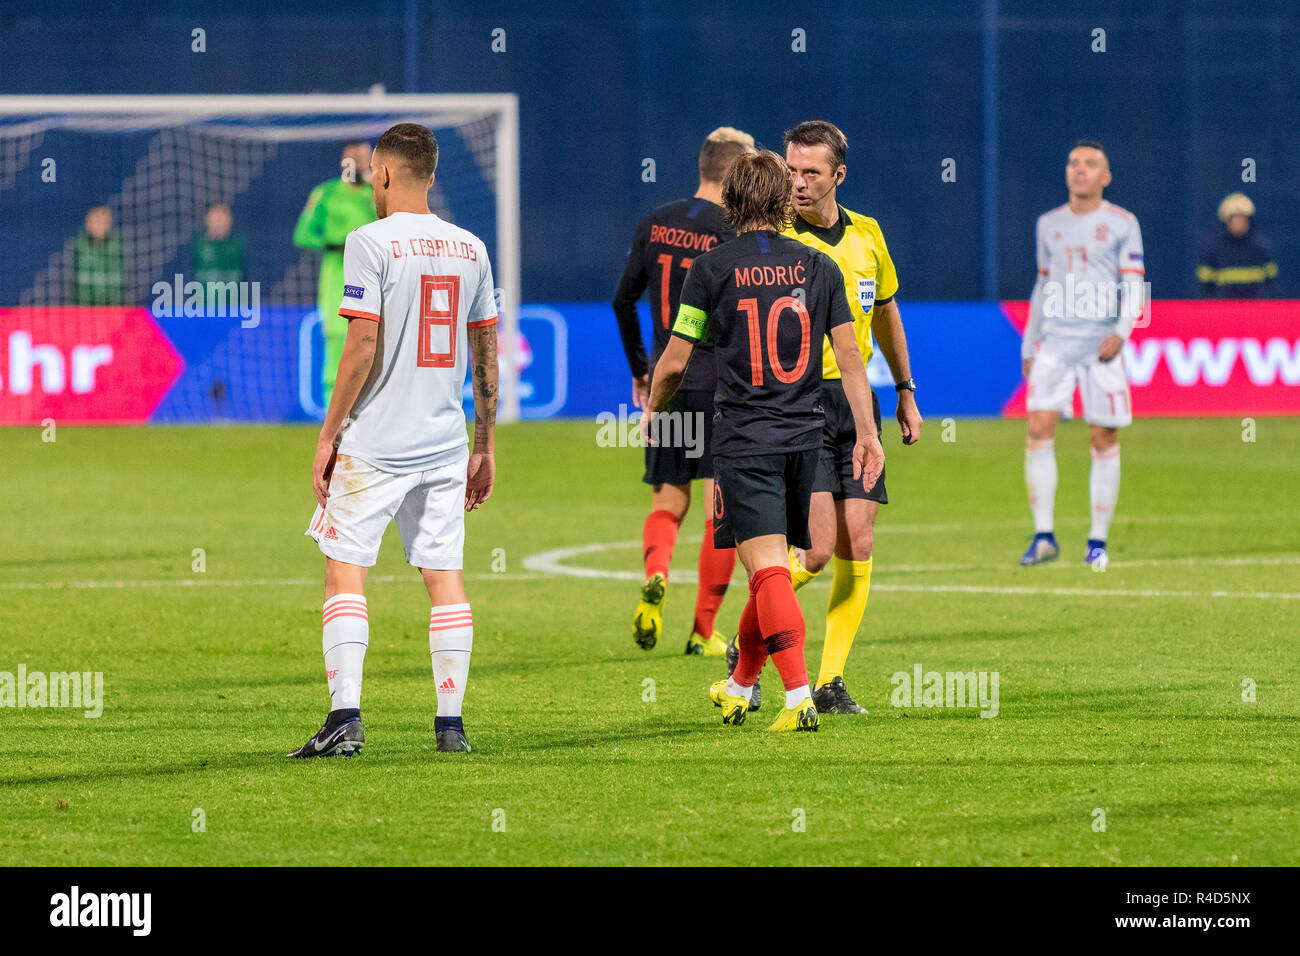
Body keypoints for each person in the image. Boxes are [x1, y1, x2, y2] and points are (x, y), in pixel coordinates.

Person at [646, 150, 884, 732]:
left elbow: (676, 361)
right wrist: (869, 434)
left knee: (769, 568)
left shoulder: (712, 270)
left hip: (746, 439)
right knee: (780, 565)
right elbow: (850, 359)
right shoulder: (818, 267)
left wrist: (655, 409)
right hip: (809, 437)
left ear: (729, 202)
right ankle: (739, 683)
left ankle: (799, 696)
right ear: (782, 201)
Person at [290, 123, 499, 758]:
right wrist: (484, 443)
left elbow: (360, 345)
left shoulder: (368, 241)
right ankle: (450, 727)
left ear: (380, 175)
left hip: (376, 441)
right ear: (431, 175)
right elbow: (484, 351)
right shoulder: (471, 248)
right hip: (444, 443)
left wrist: (329, 435)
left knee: (343, 568)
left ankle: (346, 719)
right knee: (445, 575)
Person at [743, 120, 920, 716]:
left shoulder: (867, 235)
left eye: (810, 171)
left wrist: (905, 389)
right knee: (816, 551)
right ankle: (752, 637)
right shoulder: (777, 243)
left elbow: (888, 312)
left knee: (860, 541)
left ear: (837, 176)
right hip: (798, 402)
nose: (796, 181)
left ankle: (831, 679)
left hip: (857, 400)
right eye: (790, 169)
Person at [612, 127, 754, 656]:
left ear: (703, 165)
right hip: (722, 385)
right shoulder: (734, 234)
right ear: (740, 174)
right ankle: (703, 630)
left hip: (668, 386)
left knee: (668, 501)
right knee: (724, 511)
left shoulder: (655, 222)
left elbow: (622, 301)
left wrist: (642, 371)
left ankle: (657, 575)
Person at [1020, 140, 1145, 568]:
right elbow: (1042, 284)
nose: (1080, 170)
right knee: (1038, 428)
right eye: (1074, 162)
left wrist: (1121, 332)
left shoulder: (1123, 223)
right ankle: (1043, 536)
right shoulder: (1048, 224)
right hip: (1055, 343)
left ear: (1105, 177)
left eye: (1091, 164)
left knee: (1103, 436)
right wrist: (1029, 341)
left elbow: (1133, 284)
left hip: (1100, 346)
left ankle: (1097, 542)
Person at [294, 141, 378, 407]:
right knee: (338, 341)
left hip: (375, 277)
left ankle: (371, 409)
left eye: (365, 159)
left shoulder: (377, 194)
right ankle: (334, 412)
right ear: (344, 162)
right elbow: (303, 235)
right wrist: (336, 241)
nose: (359, 163)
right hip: (337, 277)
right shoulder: (326, 193)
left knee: (375, 342)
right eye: (353, 158)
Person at [1197, 193, 1276, 298]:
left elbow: (1270, 284)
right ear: (1227, 221)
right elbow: (1206, 286)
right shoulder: (1214, 247)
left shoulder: (1260, 246)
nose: (1238, 222)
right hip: (1223, 307)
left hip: (1254, 306)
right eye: (1234, 219)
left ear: (1248, 220)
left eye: (1241, 218)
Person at [72, 205, 126, 305]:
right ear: (88, 224)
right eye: (96, 221)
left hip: (114, 312)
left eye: (104, 221)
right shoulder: (76, 247)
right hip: (82, 312)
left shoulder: (119, 248)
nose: (100, 226)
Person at [190, 203, 246, 286]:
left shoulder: (239, 245)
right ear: (207, 221)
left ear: (229, 221)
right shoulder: (196, 245)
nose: (219, 224)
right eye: (216, 220)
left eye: (222, 220)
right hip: (202, 298)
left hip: (234, 298)